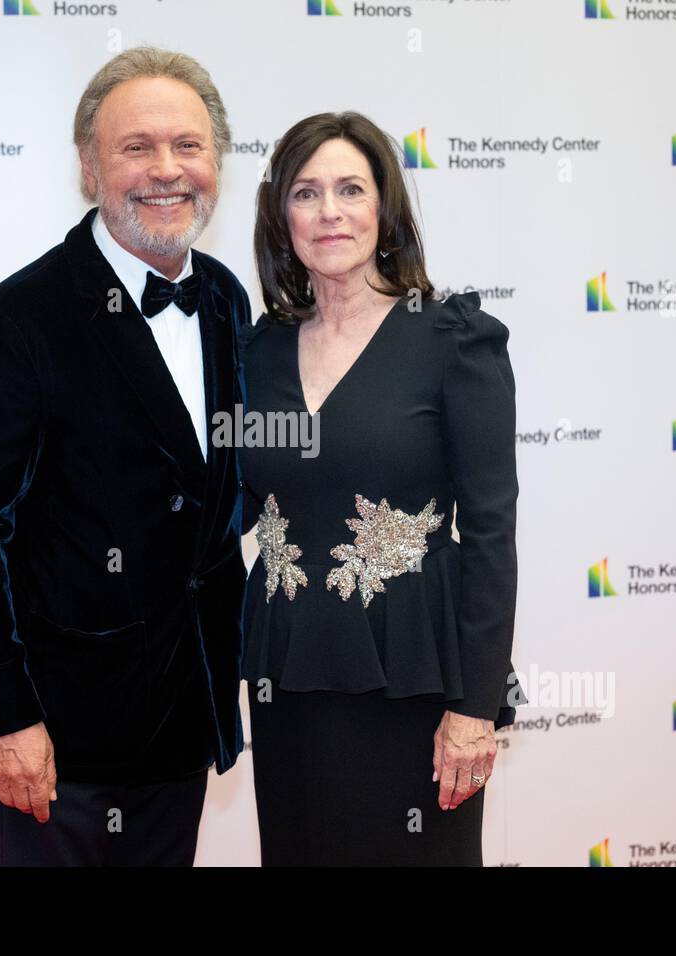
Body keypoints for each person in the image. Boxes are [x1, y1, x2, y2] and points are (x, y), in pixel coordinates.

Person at [0, 47, 251, 866]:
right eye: (136, 147)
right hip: (57, 744)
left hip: (184, 724)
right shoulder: (16, 320)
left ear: (216, 163)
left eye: (188, 146)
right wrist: (3, 718)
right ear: (87, 166)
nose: (166, 170)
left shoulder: (225, 299)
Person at [239, 111, 527, 866]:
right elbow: (225, 506)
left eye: (350, 189)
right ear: (281, 216)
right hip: (289, 687)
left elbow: (492, 535)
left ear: (384, 209)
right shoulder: (256, 354)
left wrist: (474, 711)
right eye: (305, 193)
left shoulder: (452, 339)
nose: (329, 211)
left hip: (417, 688)